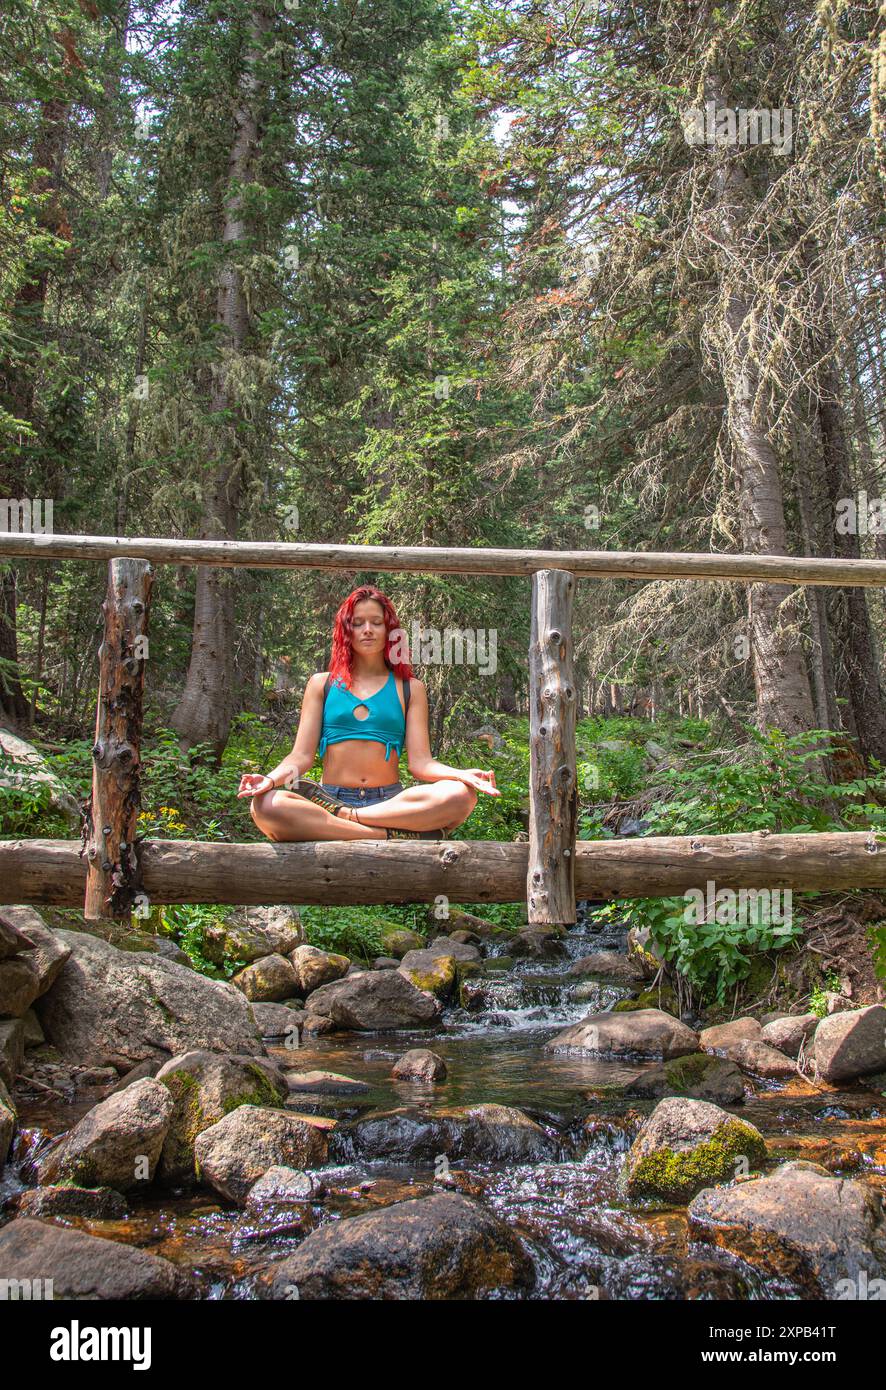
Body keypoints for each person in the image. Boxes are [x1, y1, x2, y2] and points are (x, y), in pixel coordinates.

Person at [237, 584, 499, 841]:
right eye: (358, 623)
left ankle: (347, 819)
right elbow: (300, 756)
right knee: (266, 805)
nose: (368, 630)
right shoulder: (322, 684)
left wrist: (461, 775)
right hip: (329, 798)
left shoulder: (410, 689)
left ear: (389, 630)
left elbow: (421, 764)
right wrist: (270, 780)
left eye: (376, 622)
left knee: (461, 795)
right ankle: (387, 834)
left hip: (390, 803)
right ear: (345, 630)